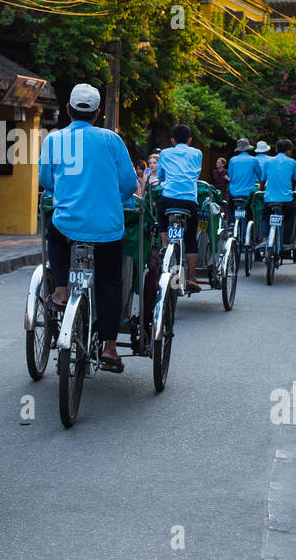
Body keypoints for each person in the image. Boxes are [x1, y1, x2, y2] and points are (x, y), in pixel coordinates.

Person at [38, 83, 136, 371]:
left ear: (68, 110)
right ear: (97, 114)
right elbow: (130, 185)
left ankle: (60, 290)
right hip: (107, 228)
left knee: (54, 237)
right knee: (109, 280)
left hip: (67, 224)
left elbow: (47, 181)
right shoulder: (112, 140)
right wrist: (110, 198)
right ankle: (109, 349)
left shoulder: (54, 140)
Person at [155, 123, 203, 293]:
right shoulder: (197, 153)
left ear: (173, 140)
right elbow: (196, 174)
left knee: (159, 212)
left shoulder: (165, 153)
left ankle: (165, 243)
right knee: (190, 239)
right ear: (190, 140)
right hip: (189, 202)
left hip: (169, 200)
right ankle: (190, 279)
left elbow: (160, 175)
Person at [261, 137, 296, 246]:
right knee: (289, 217)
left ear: (277, 150)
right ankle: (286, 242)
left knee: (265, 217)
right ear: (288, 150)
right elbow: (294, 181)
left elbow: (263, 181)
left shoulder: (268, 162)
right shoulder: (292, 162)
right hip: (286, 200)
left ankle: (264, 238)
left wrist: (262, 189)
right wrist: (291, 191)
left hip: (269, 199)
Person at [226, 138, 261, 222]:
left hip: (234, 193)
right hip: (248, 193)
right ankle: (250, 227)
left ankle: (231, 224)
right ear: (248, 148)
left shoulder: (232, 160)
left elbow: (230, 175)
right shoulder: (254, 160)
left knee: (230, 206)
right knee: (250, 211)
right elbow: (260, 175)